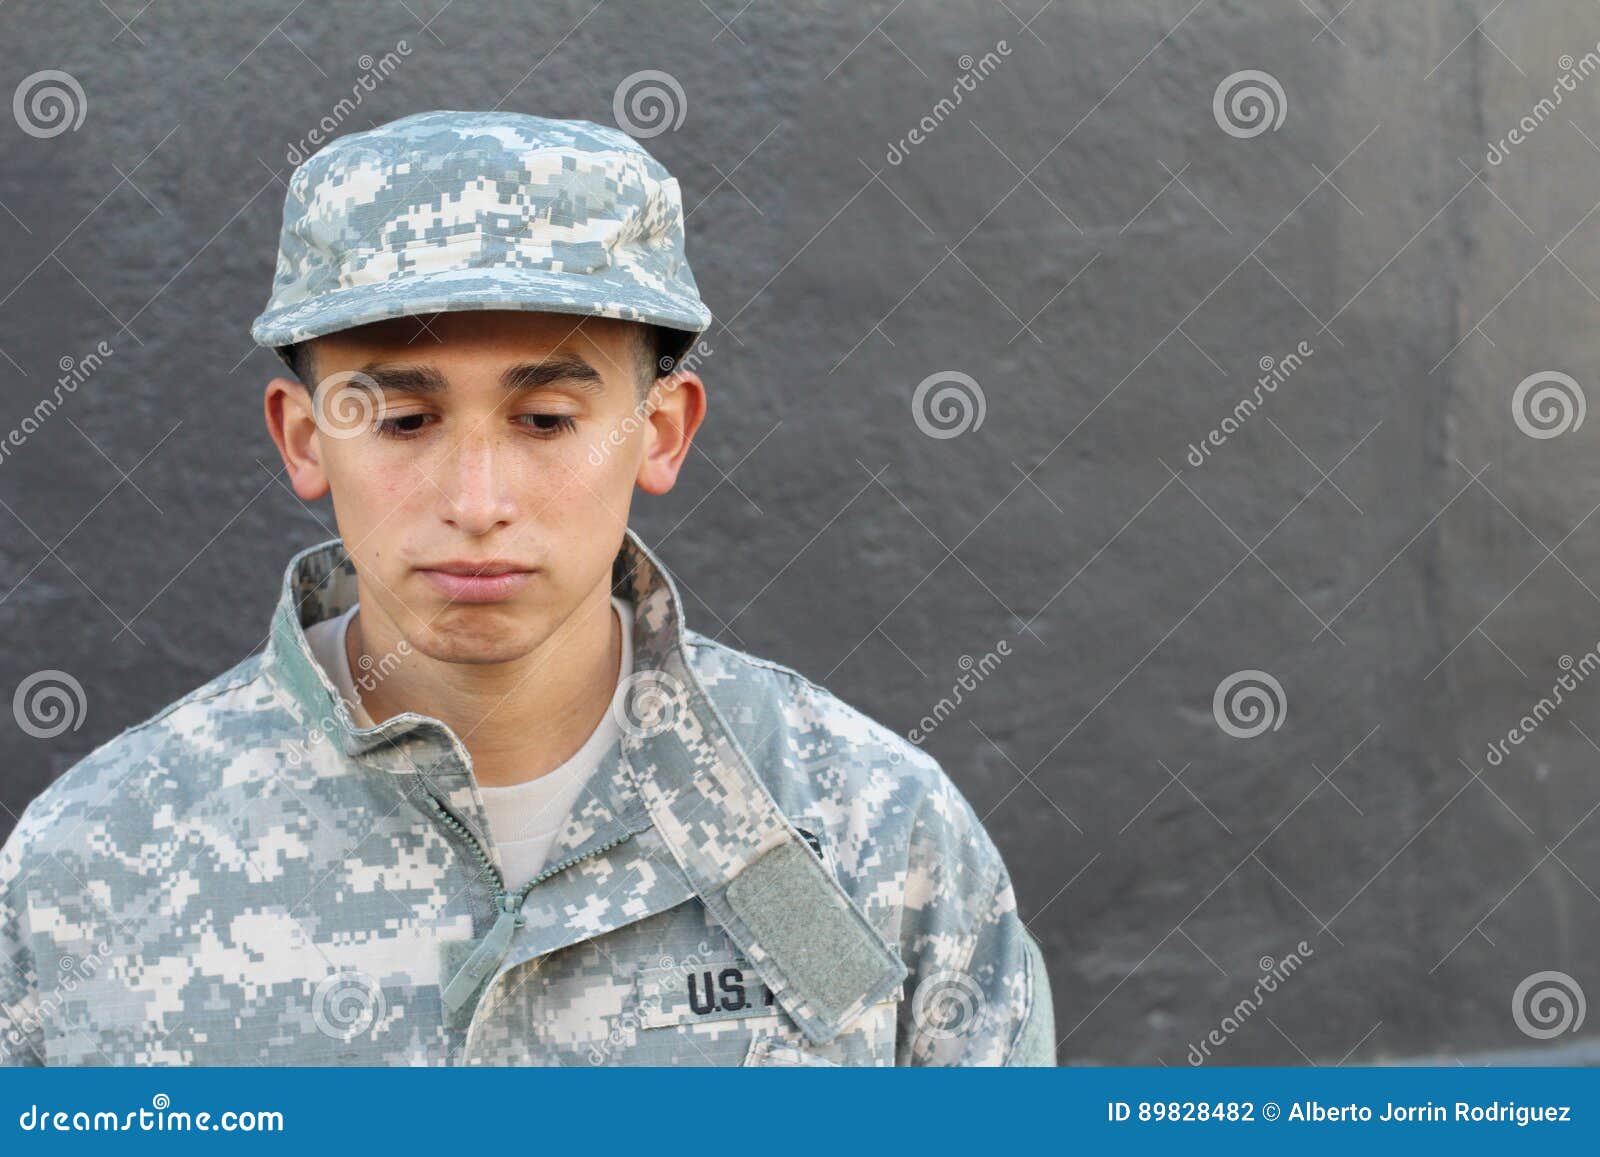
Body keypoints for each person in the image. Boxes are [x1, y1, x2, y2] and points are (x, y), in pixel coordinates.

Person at [0, 110, 1054, 1066]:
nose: (476, 498)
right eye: (402, 420)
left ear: (662, 429)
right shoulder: (89, 869)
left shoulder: (877, 834)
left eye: (545, 418)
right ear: (304, 437)